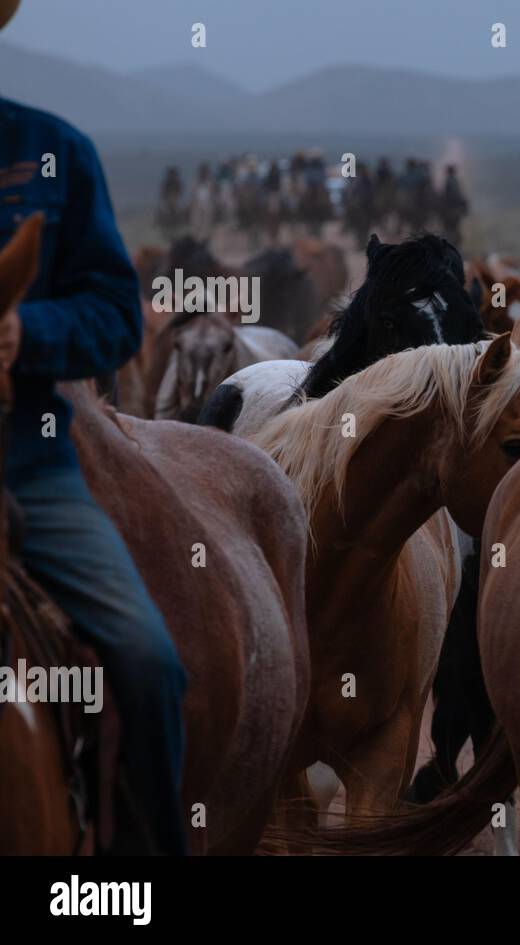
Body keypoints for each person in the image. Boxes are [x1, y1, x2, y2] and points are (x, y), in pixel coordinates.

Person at [0, 0, 188, 855]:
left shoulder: (53, 153)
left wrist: (25, 333)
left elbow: (118, 312)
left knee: (148, 660)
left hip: (29, 467)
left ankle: (136, 879)